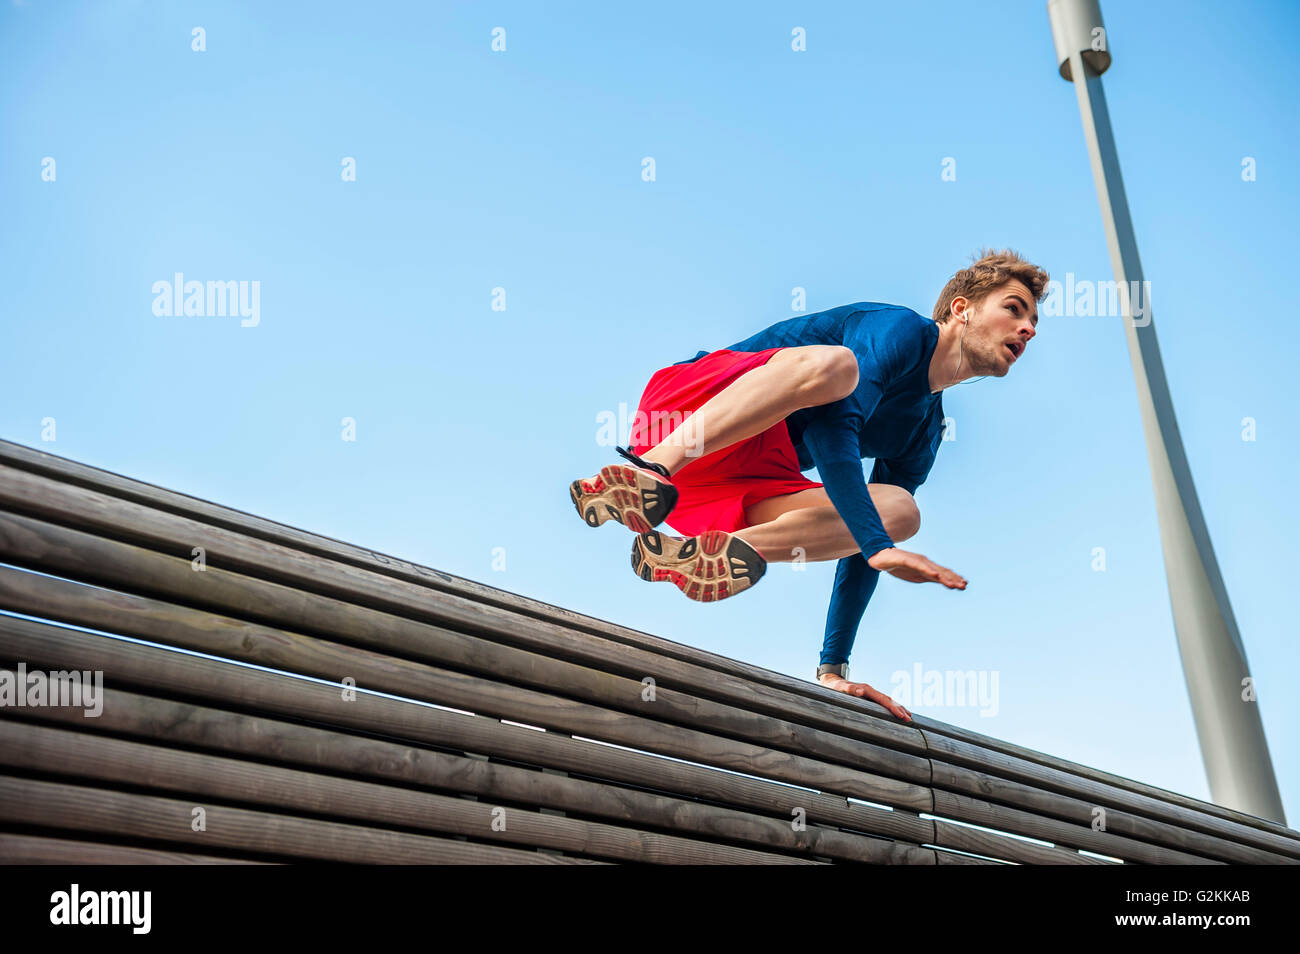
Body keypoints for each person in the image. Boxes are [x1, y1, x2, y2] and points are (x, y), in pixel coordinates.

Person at [569, 248, 1049, 721]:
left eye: (1033, 321)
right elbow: (829, 426)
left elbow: (866, 546)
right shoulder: (903, 331)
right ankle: (646, 470)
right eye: (1013, 309)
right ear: (961, 310)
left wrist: (833, 668)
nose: (1028, 329)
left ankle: (705, 552)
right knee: (837, 368)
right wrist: (874, 542)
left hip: (731, 487)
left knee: (901, 512)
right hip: (688, 420)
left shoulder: (925, 429)